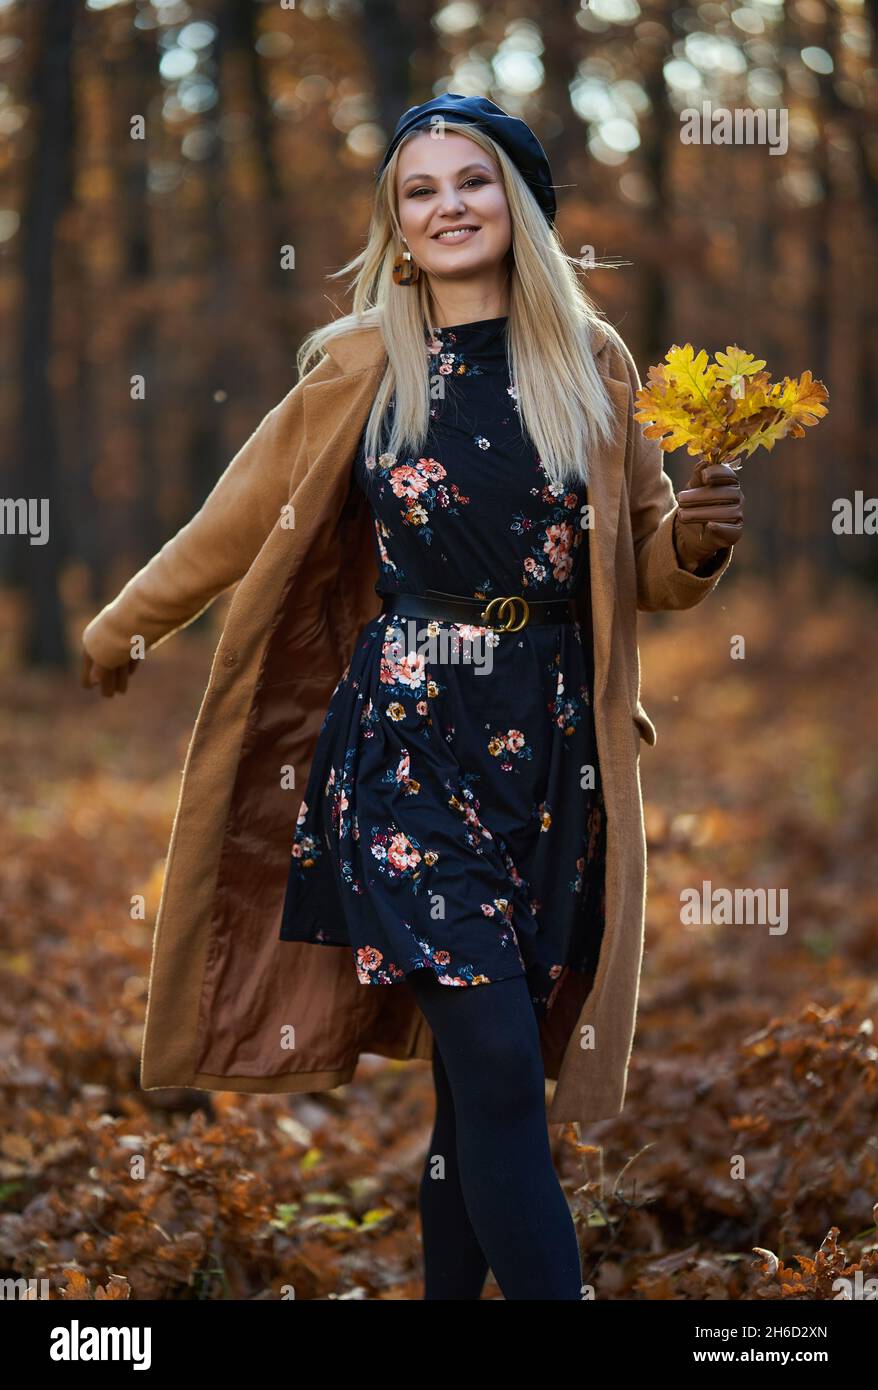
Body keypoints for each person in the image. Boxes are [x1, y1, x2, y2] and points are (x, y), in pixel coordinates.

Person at [82, 94, 744, 1300]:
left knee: (475, 1083)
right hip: (407, 742)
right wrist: (128, 618)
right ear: (394, 224)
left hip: (551, 756)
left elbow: (644, 570)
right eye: (419, 190)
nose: (447, 207)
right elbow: (237, 516)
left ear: (518, 205)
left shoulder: (593, 366)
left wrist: (692, 542)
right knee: (493, 1056)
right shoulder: (361, 365)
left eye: (471, 183)